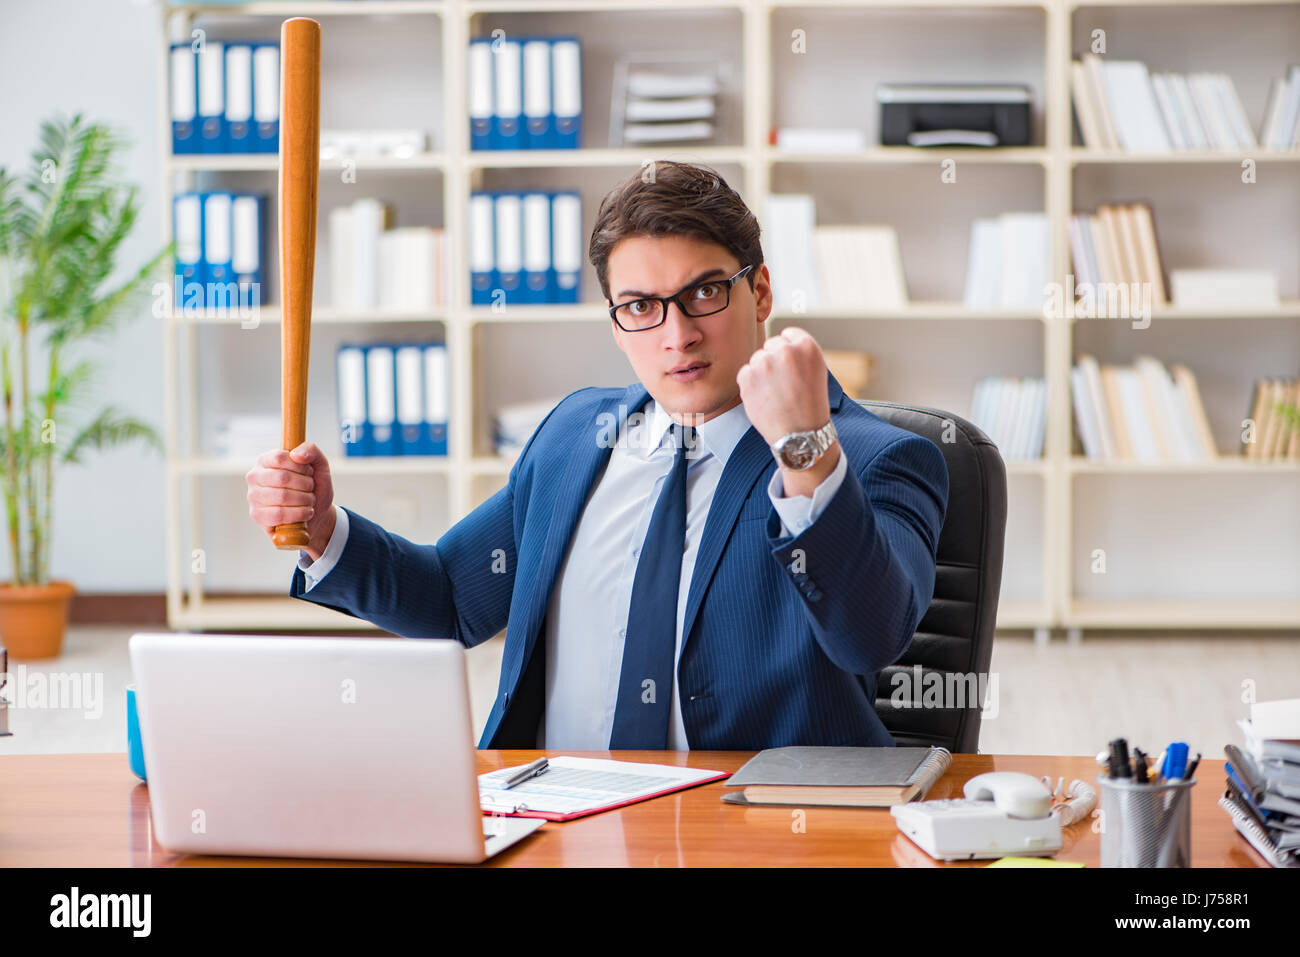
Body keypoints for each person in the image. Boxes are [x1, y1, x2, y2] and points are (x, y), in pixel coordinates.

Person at [246, 161, 949, 750]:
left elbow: (870, 634)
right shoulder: (575, 436)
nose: (676, 335)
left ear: (759, 291)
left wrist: (806, 452)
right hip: (551, 822)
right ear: (616, 323)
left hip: (747, 833)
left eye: (703, 292)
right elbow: (454, 598)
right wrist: (324, 530)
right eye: (641, 306)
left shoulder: (874, 456)